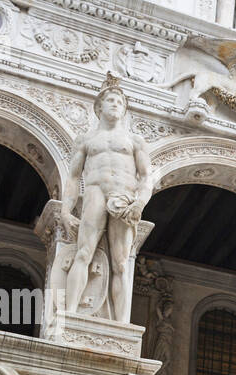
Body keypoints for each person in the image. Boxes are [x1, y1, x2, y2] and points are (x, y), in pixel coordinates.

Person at [60, 73, 152, 323]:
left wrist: (139, 204)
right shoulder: (87, 139)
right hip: (95, 193)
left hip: (124, 198)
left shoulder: (134, 140)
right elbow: (72, 178)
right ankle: (69, 314)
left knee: (121, 264)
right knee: (83, 253)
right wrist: (66, 212)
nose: (115, 104)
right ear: (99, 107)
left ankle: (121, 324)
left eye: (120, 102)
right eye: (110, 100)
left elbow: (146, 178)